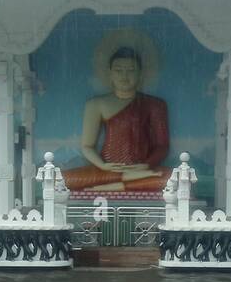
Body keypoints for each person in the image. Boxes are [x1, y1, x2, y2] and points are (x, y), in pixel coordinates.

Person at [61, 46, 172, 193]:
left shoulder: (155, 105)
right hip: (108, 171)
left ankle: (107, 187)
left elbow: (162, 146)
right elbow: (87, 146)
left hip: (141, 170)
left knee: (172, 180)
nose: (124, 76)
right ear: (110, 73)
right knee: (63, 180)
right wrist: (102, 166)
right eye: (118, 70)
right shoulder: (96, 104)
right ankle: (121, 183)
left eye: (131, 70)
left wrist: (146, 165)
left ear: (140, 74)